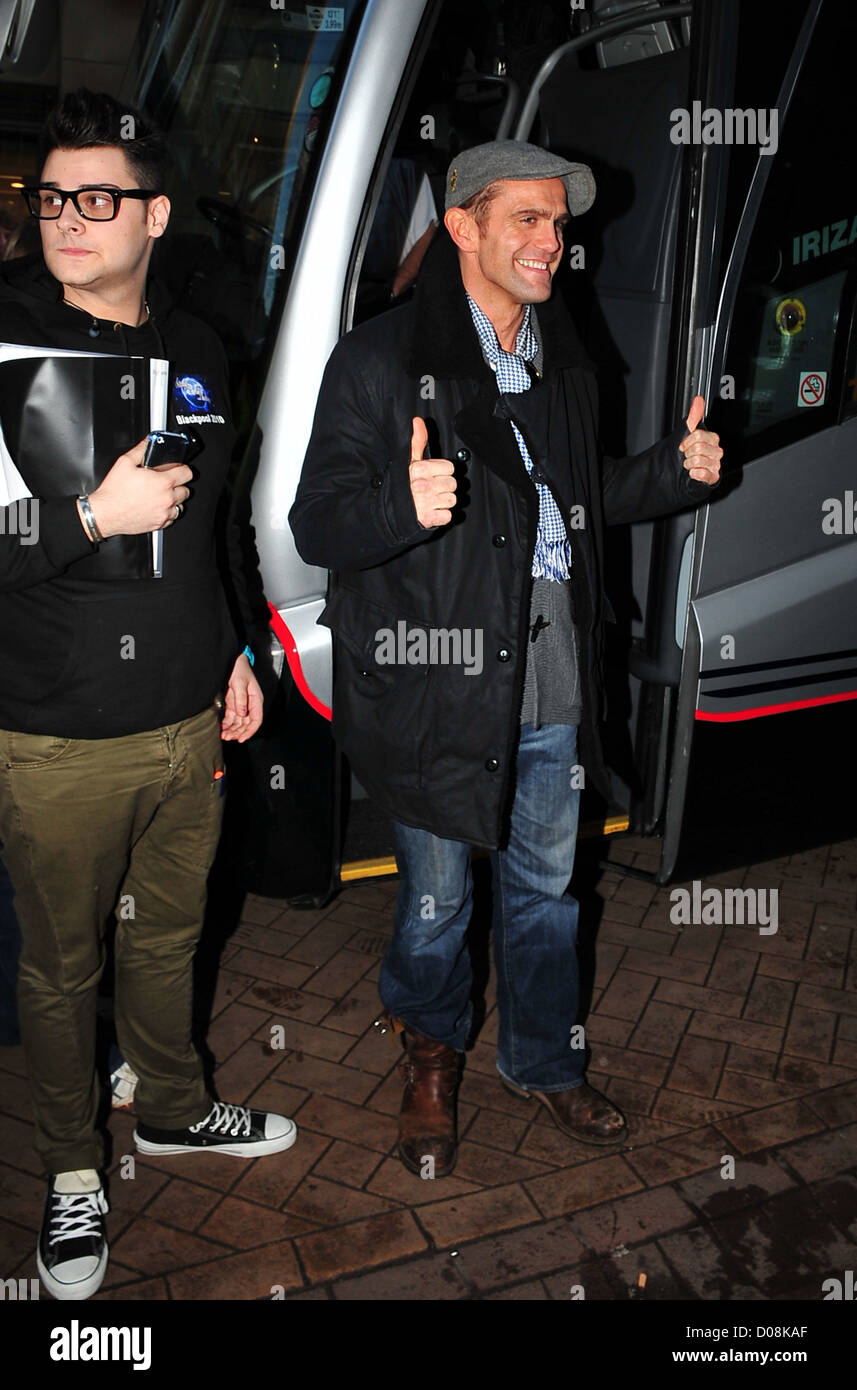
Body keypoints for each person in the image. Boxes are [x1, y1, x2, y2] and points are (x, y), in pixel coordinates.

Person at [290, 139, 721, 1177]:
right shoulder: (380, 359)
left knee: (546, 890)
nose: (548, 240)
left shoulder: (563, 359)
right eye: (522, 218)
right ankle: (430, 1057)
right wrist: (401, 504)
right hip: (437, 680)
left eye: (556, 222)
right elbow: (317, 524)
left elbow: (582, 502)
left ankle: (543, 1059)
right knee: (436, 902)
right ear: (461, 227)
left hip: (555, 667)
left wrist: (670, 472)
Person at [0, 89, 297, 1302]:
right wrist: (86, 517)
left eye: (98, 197)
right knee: (63, 971)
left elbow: (216, 525)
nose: (68, 217)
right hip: (56, 729)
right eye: (53, 196)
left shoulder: (202, 349)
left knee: (170, 934)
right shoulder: (5, 342)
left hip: (188, 714)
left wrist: (232, 647)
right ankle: (73, 1177)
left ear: (156, 214)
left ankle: (171, 1105)